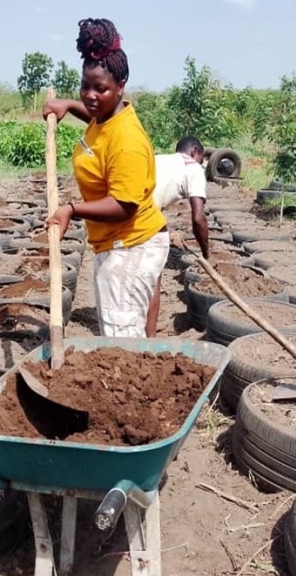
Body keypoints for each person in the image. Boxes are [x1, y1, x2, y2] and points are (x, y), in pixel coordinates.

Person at [42, 17, 168, 338]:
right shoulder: (109, 118)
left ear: (121, 86)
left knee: (122, 342)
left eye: (101, 89)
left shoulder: (127, 140)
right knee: (128, 338)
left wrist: (71, 209)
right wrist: (69, 105)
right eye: (85, 86)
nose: (91, 96)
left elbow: (124, 205)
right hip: (120, 242)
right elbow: (97, 119)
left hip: (130, 245)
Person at [146, 136, 211, 336]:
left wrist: (166, 230)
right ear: (194, 152)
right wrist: (206, 253)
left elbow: (150, 200)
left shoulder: (158, 159)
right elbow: (198, 218)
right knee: (154, 276)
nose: (200, 163)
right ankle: (149, 337)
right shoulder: (194, 167)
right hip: (142, 220)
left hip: (125, 213)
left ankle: (137, 326)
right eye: (201, 159)